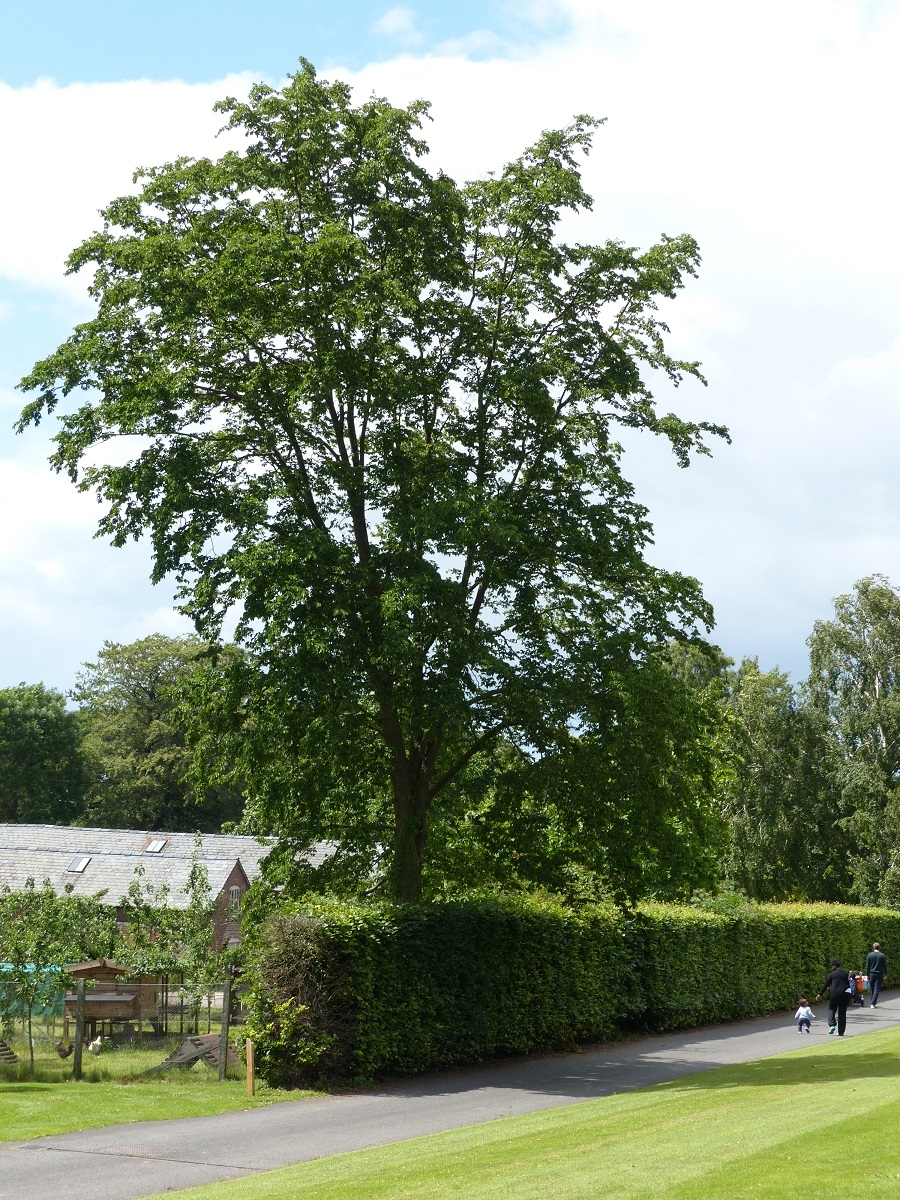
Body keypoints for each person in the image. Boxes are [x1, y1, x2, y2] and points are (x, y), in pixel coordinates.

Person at [815, 959, 853, 1036]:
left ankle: (832, 1024)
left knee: (831, 1009)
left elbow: (826, 985)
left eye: (831, 966)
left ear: (834, 966)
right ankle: (840, 1032)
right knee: (842, 1013)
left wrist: (820, 994)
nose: (831, 968)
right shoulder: (846, 973)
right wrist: (852, 996)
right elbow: (849, 984)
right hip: (845, 994)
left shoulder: (832, 974)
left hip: (834, 994)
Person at [866, 942, 887, 1008]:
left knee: (872, 988)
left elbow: (868, 966)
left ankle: (873, 1002)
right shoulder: (882, 955)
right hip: (879, 974)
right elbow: (884, 966)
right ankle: (873, 1003)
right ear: (879, 947)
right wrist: (885, 974)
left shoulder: (870, 955)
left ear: (873, 948)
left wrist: (867, 974)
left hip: (871, 973)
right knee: (876, 988)